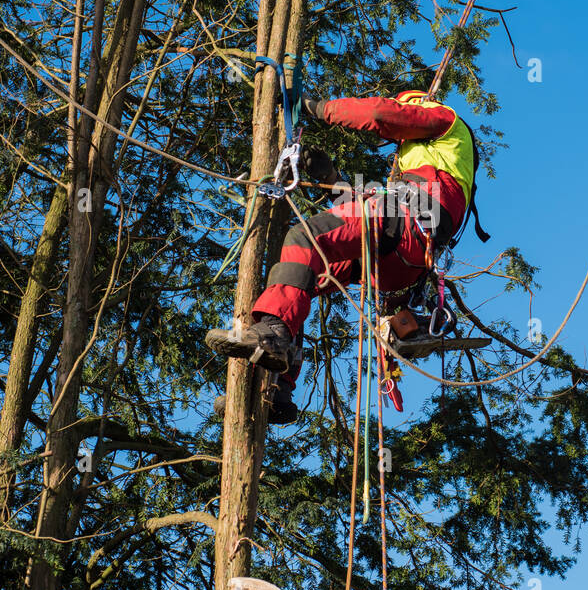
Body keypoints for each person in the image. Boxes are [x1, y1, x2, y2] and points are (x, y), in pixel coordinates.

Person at [206, 86, 485, 422]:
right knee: (307, 275)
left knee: (304, 237)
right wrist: (331, 178)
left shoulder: (444, 119)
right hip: (403, 258)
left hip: (408, 227)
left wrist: (316, 107)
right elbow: (365, 212)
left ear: (417, 104)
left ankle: (272, 335)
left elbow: (380, 115)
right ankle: (274, 387)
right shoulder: (427, 164)